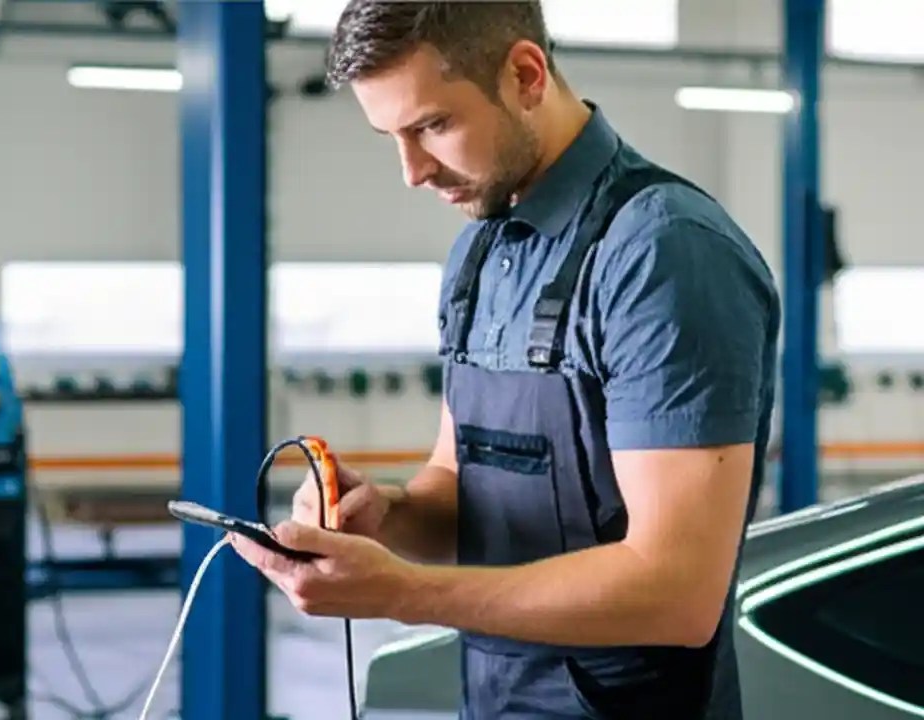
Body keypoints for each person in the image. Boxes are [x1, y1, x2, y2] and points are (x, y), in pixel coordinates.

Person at [229, 2, 781, 719]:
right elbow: (458, 484)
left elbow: (675, 592)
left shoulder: (662, 253)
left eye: (433, 125)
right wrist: (387, 514)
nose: (413, 170)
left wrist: (400, 591)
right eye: (391, 136)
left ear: (525, 74)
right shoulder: (483, 250)